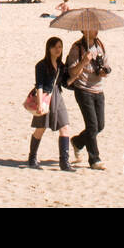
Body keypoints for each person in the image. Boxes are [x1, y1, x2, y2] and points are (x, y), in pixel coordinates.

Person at [66, 27, 110, 170]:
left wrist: (104, 71)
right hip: (83, 89)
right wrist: (83, 62)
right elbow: (71, 71)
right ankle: (94, 159)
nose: (95, 30)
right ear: (84, 30)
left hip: (98, 89)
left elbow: (106, 65)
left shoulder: (100, 45)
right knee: (92, 126)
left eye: (96, 28)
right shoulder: (76, 48)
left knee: (100, 126)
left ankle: (78, 142)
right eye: (92, 28)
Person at [29, 36, 73, 171]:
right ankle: (32, 158)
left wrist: (82, 66)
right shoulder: (41, 65)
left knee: (65, 126)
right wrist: (40, 103)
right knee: (40, 129)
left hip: (58, 97)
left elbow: (66, 83)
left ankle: (64, 162)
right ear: (49, 48)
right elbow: (39, 85)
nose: (58, 49)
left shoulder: (61, 66)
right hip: (45, 97)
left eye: (60, 47)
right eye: (55, 47)